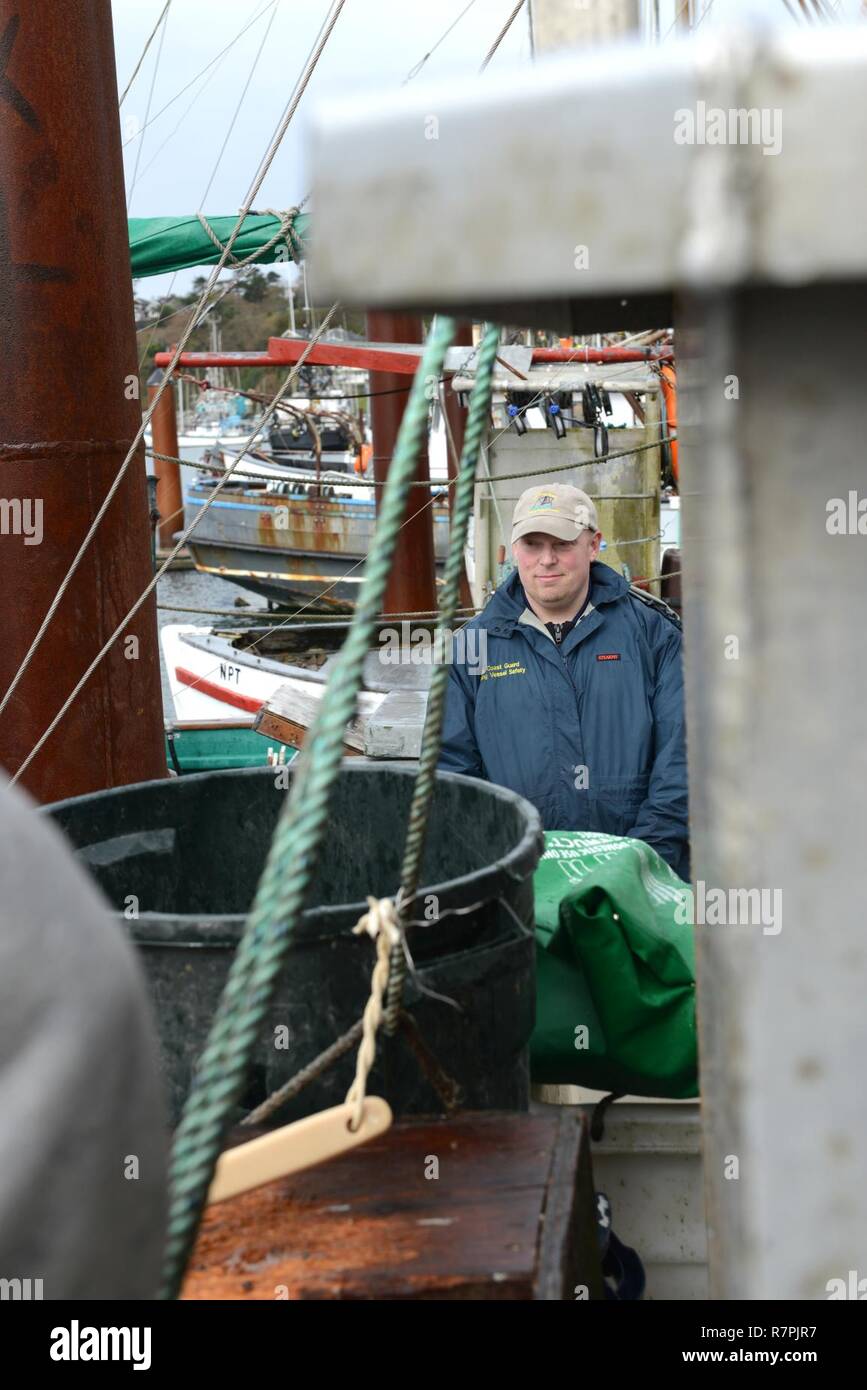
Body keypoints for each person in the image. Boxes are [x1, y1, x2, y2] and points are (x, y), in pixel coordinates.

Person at [438, 484, 689, 880]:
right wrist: (504, 868)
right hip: (521, 882)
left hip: (641, 878)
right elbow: (452, 777)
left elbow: (682, 762)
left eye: (562, 544)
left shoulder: (655, 636)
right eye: (533, 544)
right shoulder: (471, 648)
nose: (547, 559)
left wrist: (641, 866)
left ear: (593, 545)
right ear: (515, 548)